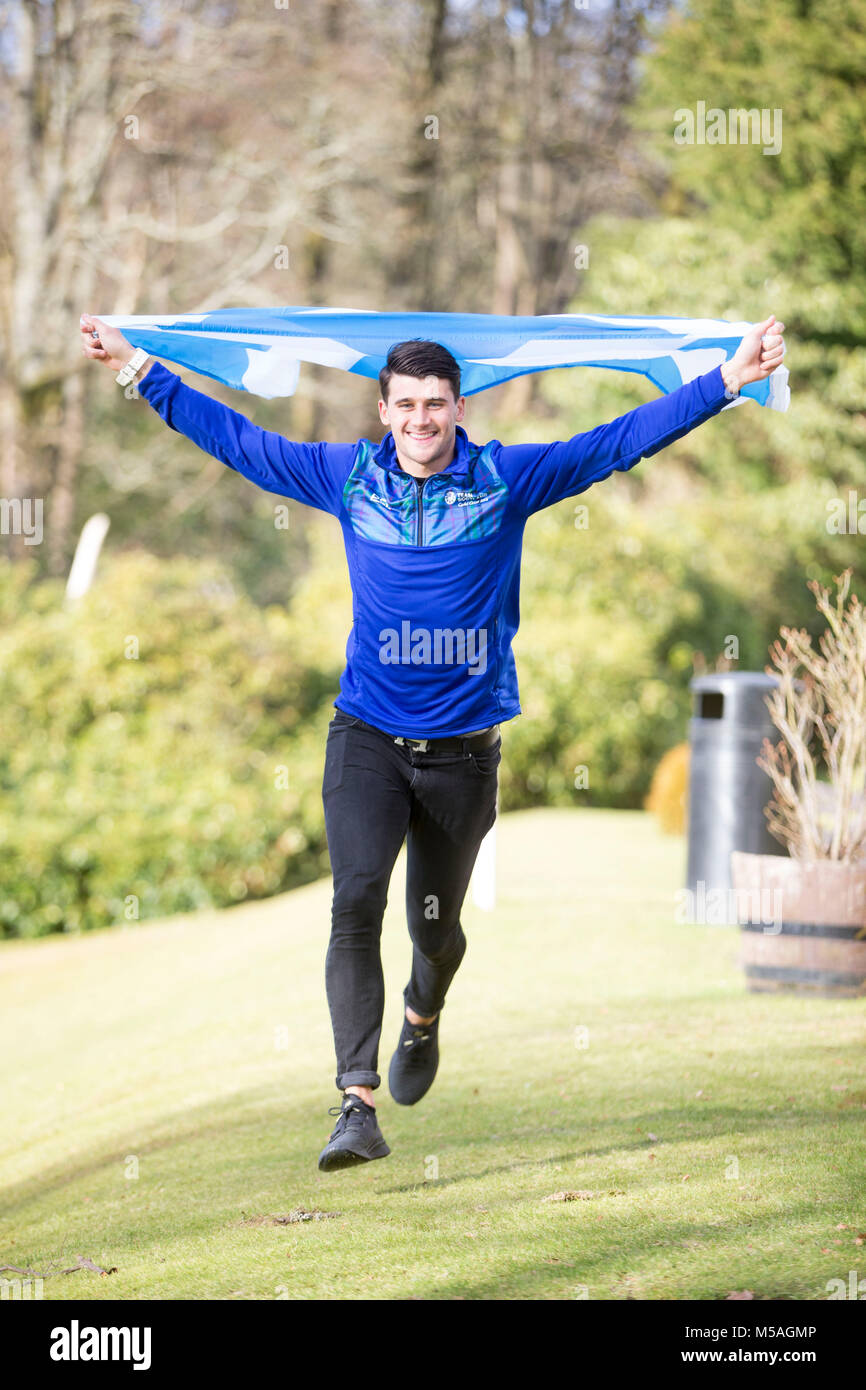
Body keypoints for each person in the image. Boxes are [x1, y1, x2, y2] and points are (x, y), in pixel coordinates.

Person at [79, 310, 786, 1170]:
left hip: (462, 754)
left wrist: (724, 382)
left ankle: (424, 1012)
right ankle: (355, 1103)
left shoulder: (506, 481)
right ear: (382, 410)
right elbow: (236, 439)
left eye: (437, 403)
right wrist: (137, 369)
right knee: (354, 901)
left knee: (435, 930)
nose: (421, 419)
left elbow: (616, 441)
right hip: (367, 736)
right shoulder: (346, 480)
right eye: (406, 403)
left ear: (460, 407)